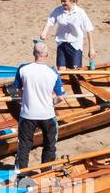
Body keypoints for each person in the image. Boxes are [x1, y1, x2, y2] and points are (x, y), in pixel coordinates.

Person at [12, 40, 68, 170]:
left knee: (24, 146)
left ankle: (22, 175)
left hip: (27, 115)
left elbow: (17, 90)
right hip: (47, 115)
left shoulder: (23, 69)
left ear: (33, 53)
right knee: (49, 145)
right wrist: (51, 103)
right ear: (47, 55)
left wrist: (24, 99)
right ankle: (46, 172)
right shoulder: (53, 72)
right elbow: (61, 97)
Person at [40, 0, 96, 69]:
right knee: (61, 71)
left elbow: (89, 30)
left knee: (75, 72)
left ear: (71, 1)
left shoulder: (80, 12)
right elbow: (50, 21)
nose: (62, 3)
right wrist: (44, 32)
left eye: (64, 1)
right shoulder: (58, 10)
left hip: (75, 45)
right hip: (61, 44)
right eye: (61, 1)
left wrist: (91, 49)